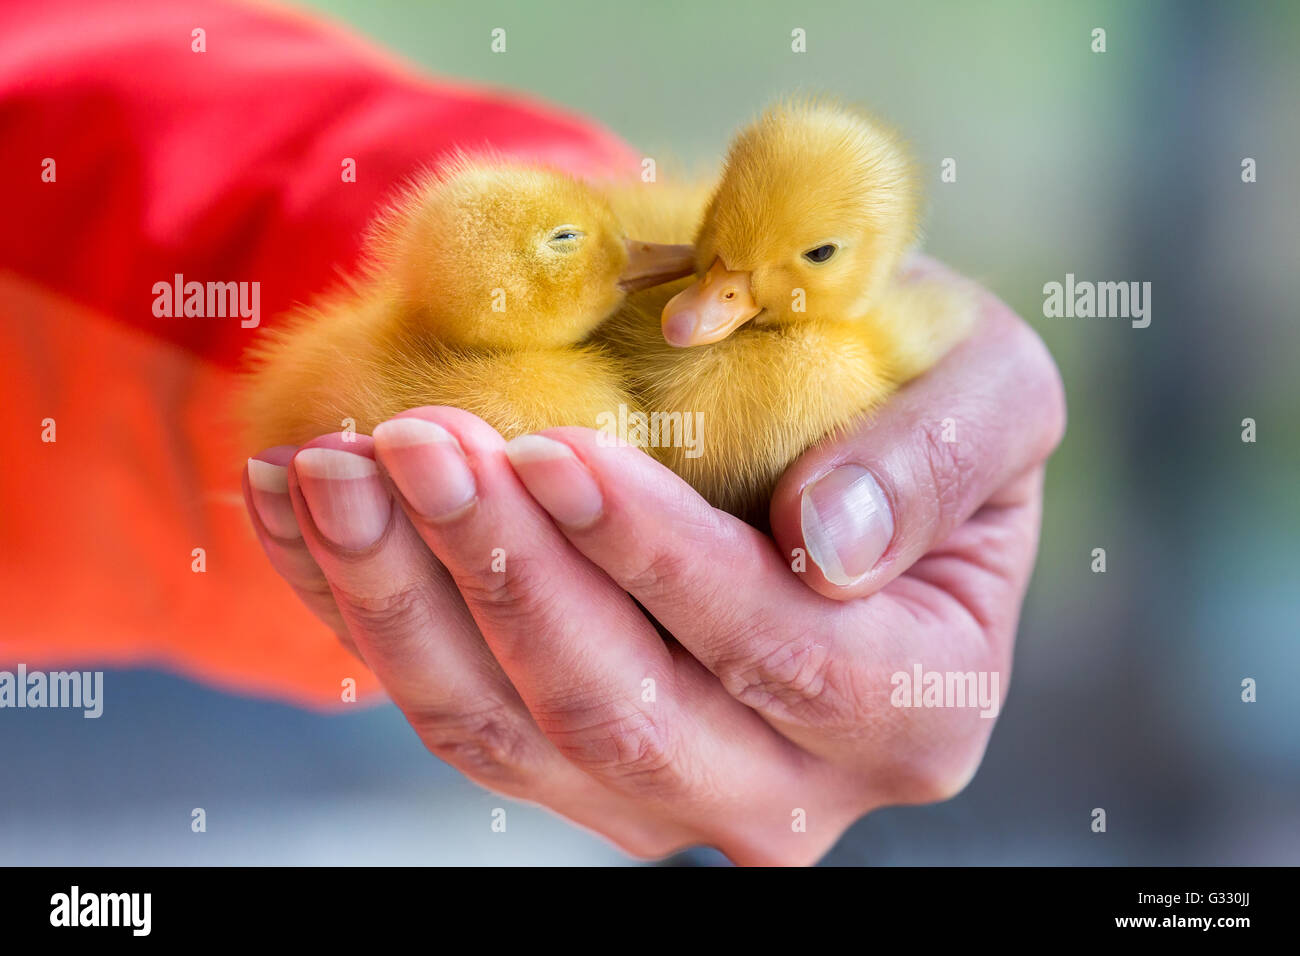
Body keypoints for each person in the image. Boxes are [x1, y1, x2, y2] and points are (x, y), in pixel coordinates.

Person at [4, 0, 1065, 864]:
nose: (697, 295)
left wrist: (566, 224)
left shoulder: (814, 329)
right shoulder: (572, 382)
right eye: (717, 249)